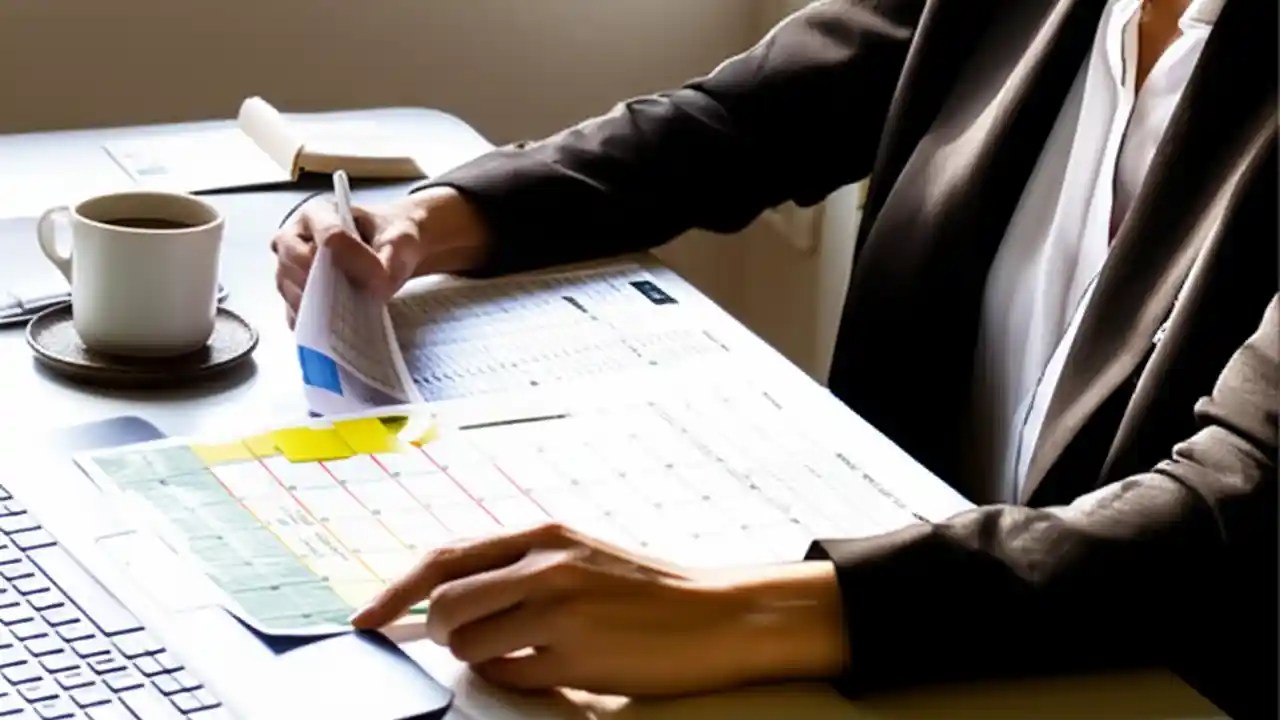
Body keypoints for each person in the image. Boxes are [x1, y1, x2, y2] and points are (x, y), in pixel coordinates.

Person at [271, 0, 1277, 716]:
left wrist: (731, 614)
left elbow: (1226, 514)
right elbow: (743, 122)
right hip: (912, 637)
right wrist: (431, 222)